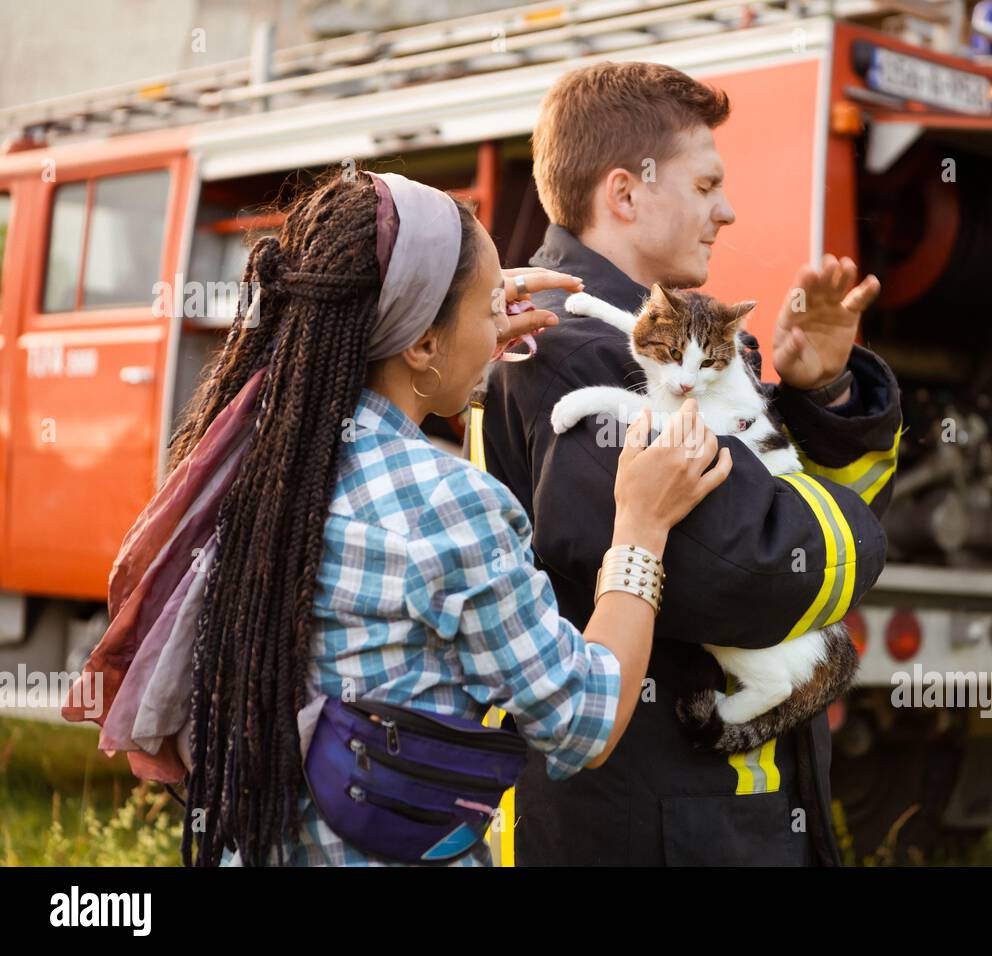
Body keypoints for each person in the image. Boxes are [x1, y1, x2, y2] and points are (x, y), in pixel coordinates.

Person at [80, 169, 731, 867]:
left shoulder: (253, 465)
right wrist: (639, 528)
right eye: (487, 310)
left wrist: (458, 319)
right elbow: (584, 720)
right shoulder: (449, 503)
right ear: (419, 343)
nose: (500, 324)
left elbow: (404, 337)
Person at [477, 61, 903, 865]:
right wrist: (869, 549)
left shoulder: (661, 344)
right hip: (646, 823)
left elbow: (781, 512)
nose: (728, 210)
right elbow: (753, 569)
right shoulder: (569, 351)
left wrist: (825, 395)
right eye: (706, 184)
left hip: (708, 813)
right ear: (625, 194)